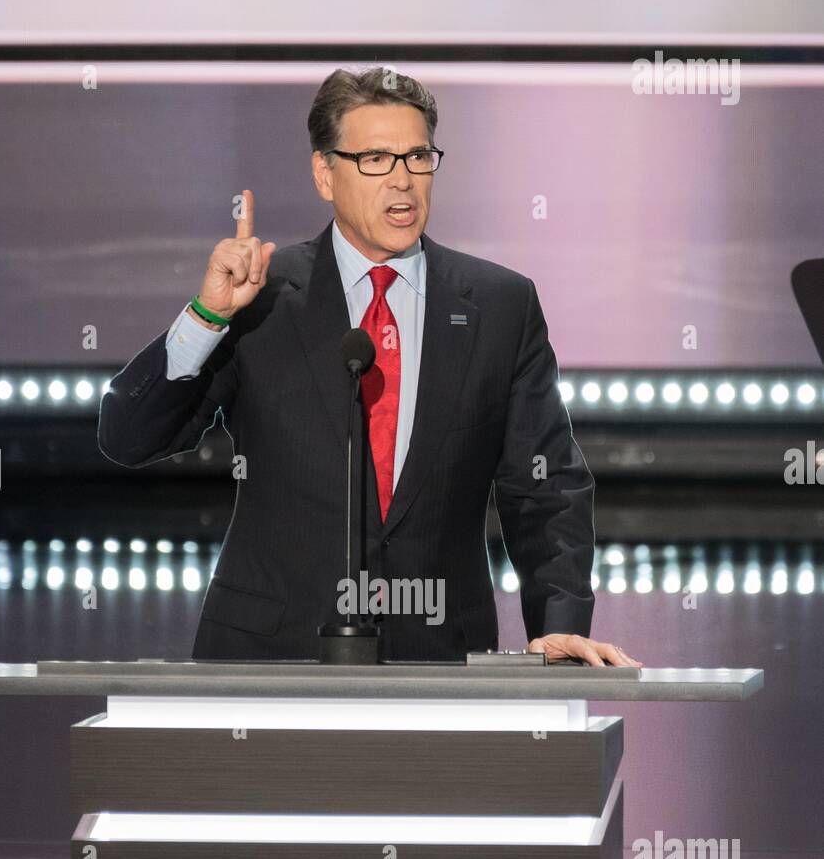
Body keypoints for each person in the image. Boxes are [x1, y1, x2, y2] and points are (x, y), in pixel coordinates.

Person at [98, 66, 641, 668]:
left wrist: (558, 622)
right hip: (267, 660)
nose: (403, 181)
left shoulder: (499, 305)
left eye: (418, 157)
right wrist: (206, 317)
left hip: (439, 658)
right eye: (376, 159)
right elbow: (128, 438)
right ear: (324, 175)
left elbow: (546, 486)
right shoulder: (263, 297)